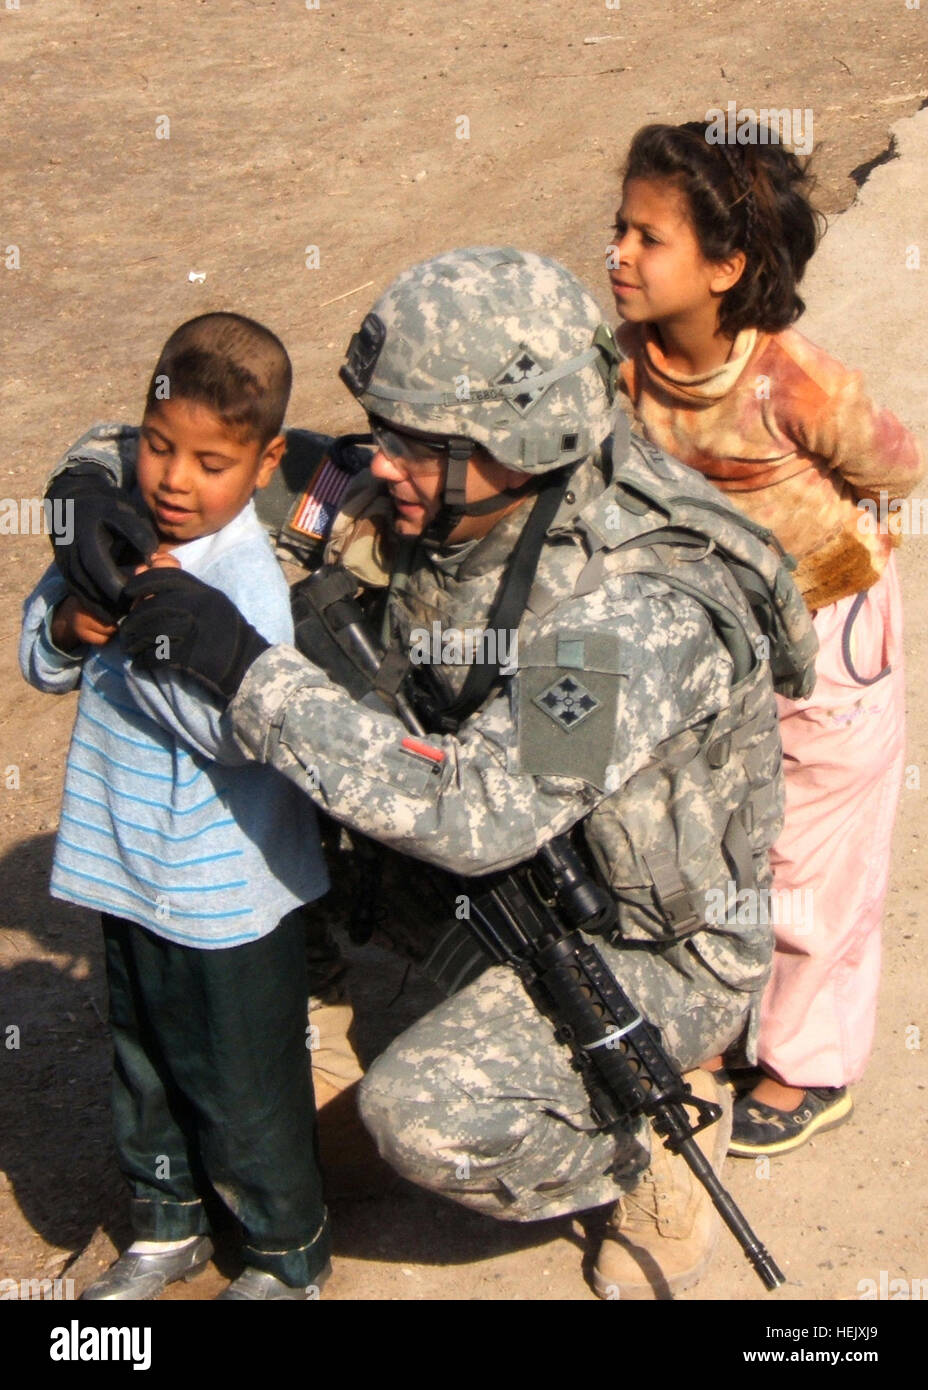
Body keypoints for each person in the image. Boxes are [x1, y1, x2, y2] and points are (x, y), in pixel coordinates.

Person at [47, 249, 809, 1299]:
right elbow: (178, 445)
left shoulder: (634, 605)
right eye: (387, 432)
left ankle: (650, 1136)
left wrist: (240, 668)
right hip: (487, 884)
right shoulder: (425, 496)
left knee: (425, 1119)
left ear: (520, 440)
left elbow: (475, 809)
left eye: (417, 443)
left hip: (641, 944)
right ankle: (338, 1042)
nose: (381, 464)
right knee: (252, 846)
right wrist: (83, 497)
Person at [606, 122, 926, 1156]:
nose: (618, 253)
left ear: (726, 267)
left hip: (827, 633)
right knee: (720, 831)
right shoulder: (627, 367)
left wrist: (834, 546)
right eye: (619, 228)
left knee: (812, 855)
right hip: (714, 638)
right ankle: (734, 1020)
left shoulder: (796, 382)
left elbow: (894, 467)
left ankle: (809, 1063)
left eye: (647, 238)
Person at [22, 312, 332, 1300]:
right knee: (144, 1057)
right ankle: (168, 1223)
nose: (173, 480)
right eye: (158, 447)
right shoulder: (121, 531)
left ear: (265, 459)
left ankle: (287, 1253)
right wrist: (76, 623)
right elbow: (38, 656)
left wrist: (144, 635)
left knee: (243, 1081)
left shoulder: (243, 577)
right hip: (125, 864)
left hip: (228, 892)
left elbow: (237, 735)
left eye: (210, 461)